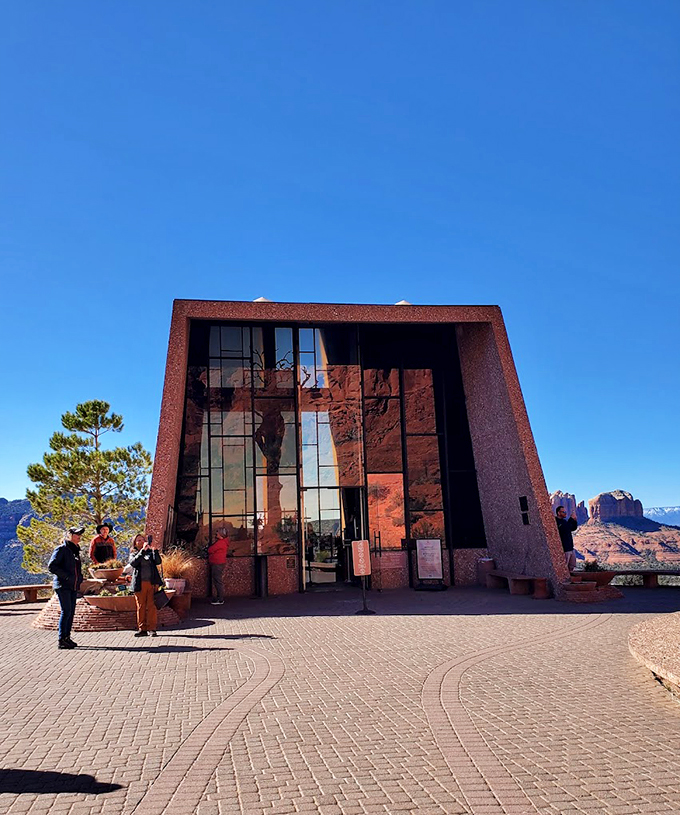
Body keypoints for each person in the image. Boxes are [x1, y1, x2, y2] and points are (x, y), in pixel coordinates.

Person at [48, 526, 85, 650]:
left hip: (73, 586)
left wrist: (79, 578)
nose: (79, 536)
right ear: (69, 535)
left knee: (71, 612)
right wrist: (67, 577)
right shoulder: (62, 549)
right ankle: (61, 639)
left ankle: (67, 637)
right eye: (76, 534)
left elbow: (76, 568)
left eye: (80, 534)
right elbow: (52, 566)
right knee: (66, 611)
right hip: (63, 585)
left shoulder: (75, 550)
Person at [129, 537, 163, 637]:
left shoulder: (150, 552)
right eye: (138, 540)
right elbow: (133, 563)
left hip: (152, 583)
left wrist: (155, 550)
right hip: (140, 584)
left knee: (152, 606)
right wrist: (142, 552)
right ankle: (142, 629)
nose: (141, 542)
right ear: (135, 543)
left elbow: (158, 562)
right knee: (141, 606)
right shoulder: (134, 554)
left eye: (142, 540)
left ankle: (152, 629)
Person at [208, 527, 229, 605]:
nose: (216, 534)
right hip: (219, 563)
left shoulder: (220, 543)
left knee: (218, 581)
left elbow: (210, 550)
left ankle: (220, 599)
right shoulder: (223, 542)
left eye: (217, 533)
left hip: (217, 563)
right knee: (217, 581)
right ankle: (219, 597)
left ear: (220, 534)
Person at [556, 505, 578, 572]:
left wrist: (574, 520)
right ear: (558, 513)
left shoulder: (564, 521)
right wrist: (571, 519)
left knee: (572, 566)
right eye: (563, 512)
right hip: (564, 549)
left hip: (571, 548)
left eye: (565, 512)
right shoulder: (557, 521)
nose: (565, 513)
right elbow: (565, 528)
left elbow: (572, 528)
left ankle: (570, 579)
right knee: (564, 567)